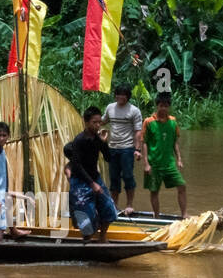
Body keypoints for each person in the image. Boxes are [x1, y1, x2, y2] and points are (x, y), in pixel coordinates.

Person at [63, 105, 118, 243]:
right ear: (86, 122)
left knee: (109, 209)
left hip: (95, 178)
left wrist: (104, 143)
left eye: (100, 122)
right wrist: (92, 184)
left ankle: (102, 238)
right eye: (95, 122)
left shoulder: (97, 139)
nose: (98, 125)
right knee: (86, 217)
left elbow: (108, 158)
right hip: (81, 181)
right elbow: (77, 165)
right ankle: (86, 241)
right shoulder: (79, 140)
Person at [141, 94, 188, 218]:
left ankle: (184, 214)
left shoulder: (173, 121)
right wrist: (146, 163)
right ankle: (156, 217)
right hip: (154, 163)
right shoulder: (149, 122)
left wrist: (179, 159)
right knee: (154, 191)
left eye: (166, 106)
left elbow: (175, 142)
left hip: (169, 163)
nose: (163, 109)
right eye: (161, 106)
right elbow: (144, 143)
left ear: (169, 107)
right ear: (157, 106)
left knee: (182, 185)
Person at [102, 85, 143, 214]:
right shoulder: (110, 107)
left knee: (128, 176)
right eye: (118, 94)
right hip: (112, 148)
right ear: (115, 95)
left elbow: (138, 132)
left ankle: (129, 205)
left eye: (123, 95)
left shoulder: (134, 111)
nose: (120, 97)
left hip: (127, 149)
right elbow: (103, 121)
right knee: (114, 178)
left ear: (128, 97)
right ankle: (114, 206)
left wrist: (138, 149)